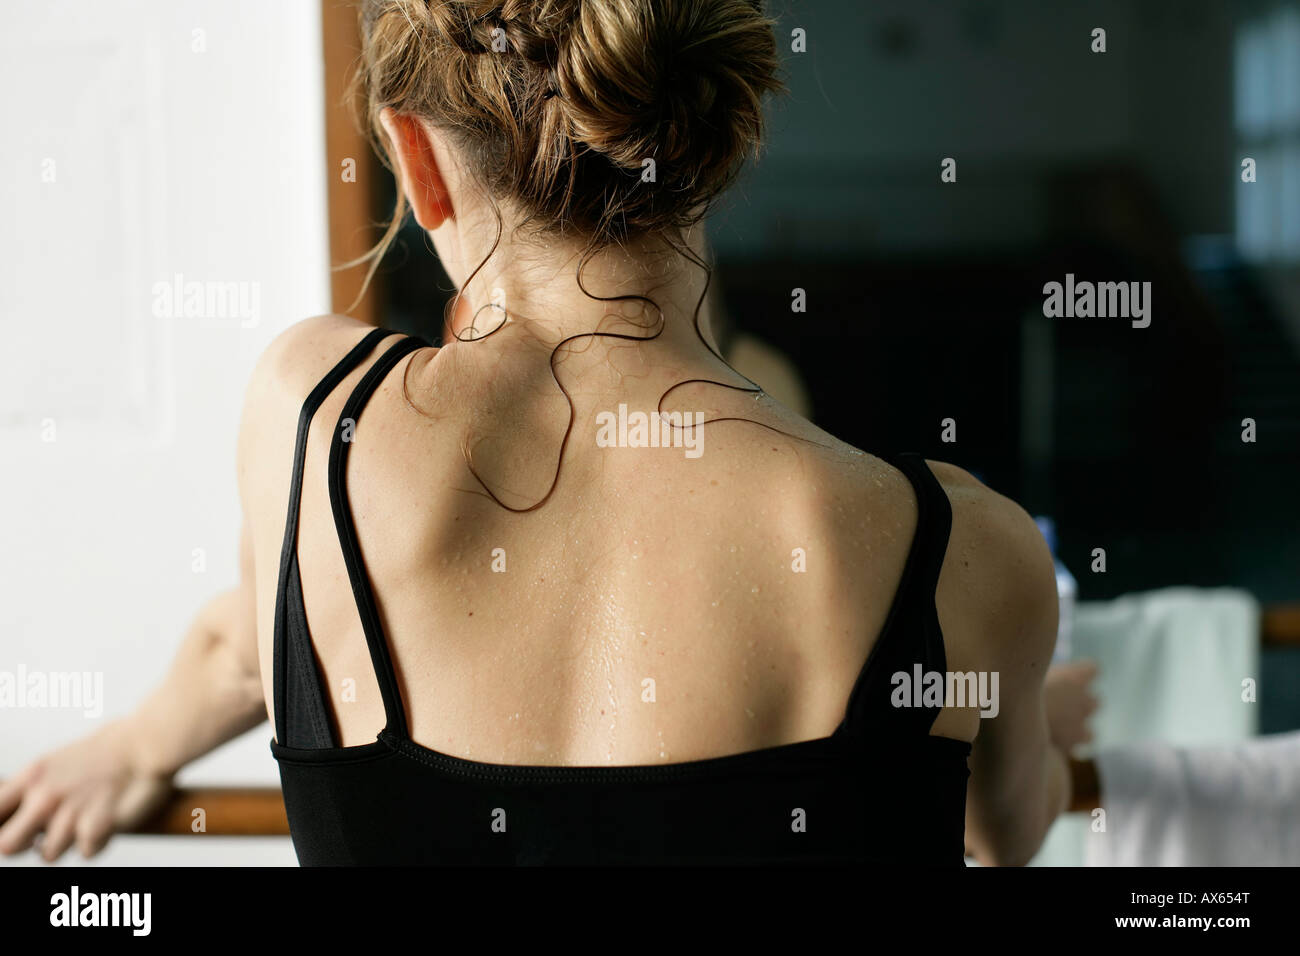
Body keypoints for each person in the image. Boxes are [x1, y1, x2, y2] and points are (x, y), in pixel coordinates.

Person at [0, 0, 1073, 865]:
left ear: (414, 164)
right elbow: (1005, 832)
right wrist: (1028, 715)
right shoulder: (965, 550)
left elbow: (262, 634)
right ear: (713, 148)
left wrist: (129, 747)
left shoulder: (308, 414)